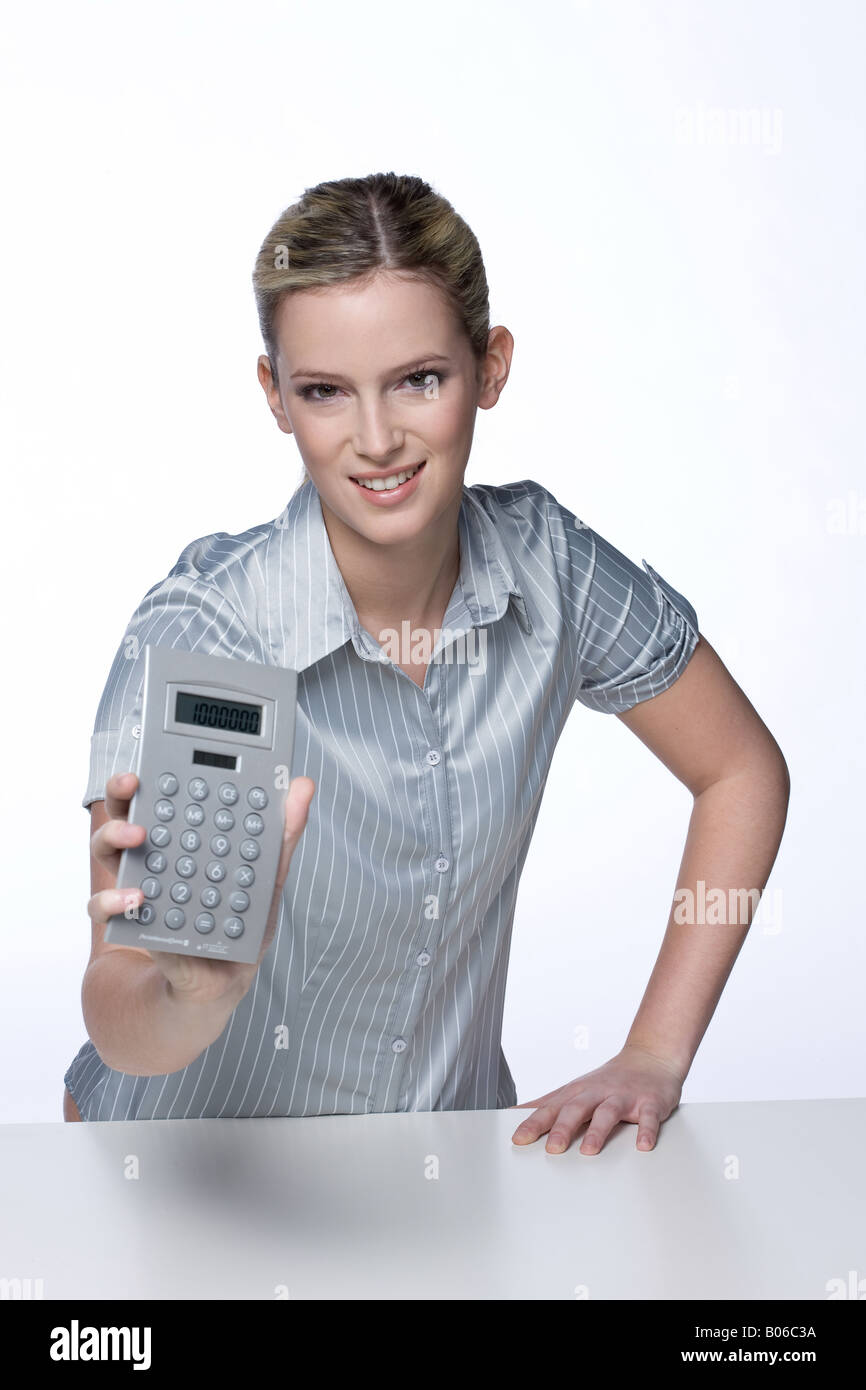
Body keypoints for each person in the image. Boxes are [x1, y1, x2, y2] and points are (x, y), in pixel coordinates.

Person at [64, 172, 789, 1152]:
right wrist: (195, 990)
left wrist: (654, 1052)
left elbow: (738, 769)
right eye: (324, 391)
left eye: (418, 379)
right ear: (275, 394)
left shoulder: (551, 566)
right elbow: (117, 1007)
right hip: (185, 1186)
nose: (374, 440)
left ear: (488, 368)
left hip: (439, 1173)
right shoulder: (212, 632)